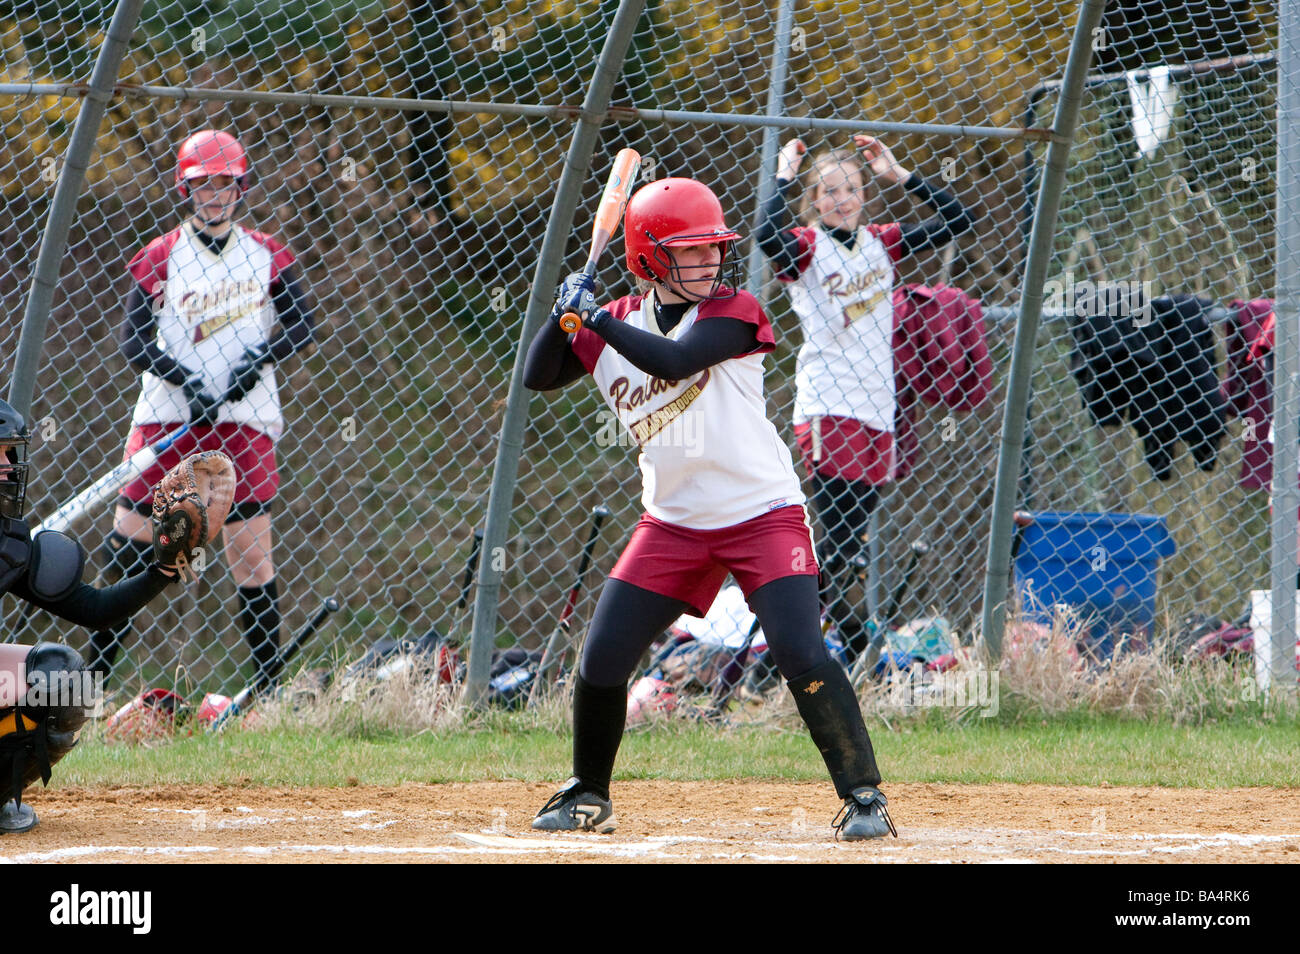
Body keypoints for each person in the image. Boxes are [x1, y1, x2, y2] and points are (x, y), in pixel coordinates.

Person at [521, 177, 896, 841]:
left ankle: (864, 798)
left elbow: (675, 359)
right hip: (672, 523)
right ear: (647, 258)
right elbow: (538, 375)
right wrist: (561, 316)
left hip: (762, 512)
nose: (709, 261)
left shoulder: (733, 310)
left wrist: (595, 319)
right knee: (603, 656)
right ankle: (588, 791)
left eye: (711, 248)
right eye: (689, 251)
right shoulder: (614, 319)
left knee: (799, 648)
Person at [86, 129, 315, 690]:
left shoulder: (265, 254)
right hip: (168, 417)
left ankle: (266, 694)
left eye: (224, 183)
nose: (214, 195)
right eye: (201, 184)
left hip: (244, 421)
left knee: (251, 559)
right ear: (184, 189)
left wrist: (254, 362)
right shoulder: (161, 256)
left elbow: (305, 325)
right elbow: (133, 343)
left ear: (241, 187)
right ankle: (85, 689)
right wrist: (184, 378)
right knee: (128, 551)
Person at [756, 136, 975, 664]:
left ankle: (824, 648)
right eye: (829, 190)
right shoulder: (807, 246)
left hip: (879, 406)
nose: (842, 198)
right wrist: (785, 171)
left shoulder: (881, 241)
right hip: (830, 402)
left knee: (848, 545)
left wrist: (898, 174)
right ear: (814, 198)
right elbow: (765, 234)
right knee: (839, 538)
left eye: (852, 188)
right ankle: (825, 650)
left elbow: (959, 219)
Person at [0, 398, 186, 833]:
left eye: (12, 453)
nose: (10, 466)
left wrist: (162, 568)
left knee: (65, 680)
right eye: (1, 452)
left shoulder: (7, 540)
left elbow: (96, 611)